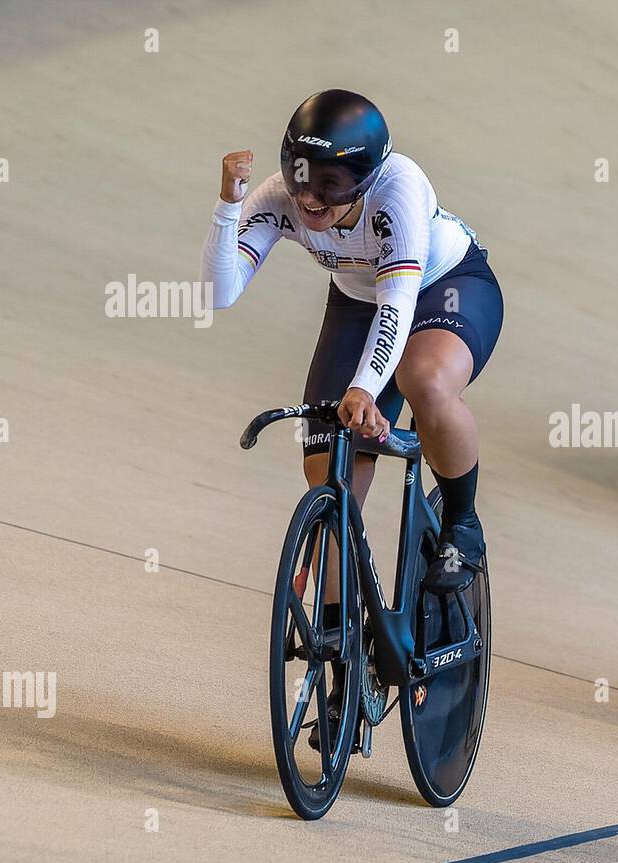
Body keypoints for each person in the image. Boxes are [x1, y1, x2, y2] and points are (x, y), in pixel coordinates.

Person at [201, 90, 503, 746]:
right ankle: (345, 672)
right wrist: (230, 202)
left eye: (332, 189)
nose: (311, 203)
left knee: (422, 381)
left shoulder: (399, 188)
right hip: (358, 306)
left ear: (365, 179)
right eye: (304, 181)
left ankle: (462, 522)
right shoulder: (285, 196)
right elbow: (219, 292)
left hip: (442, 288)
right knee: (331, 488)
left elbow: (397, 307)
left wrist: (366, 390)